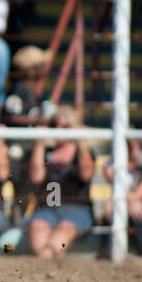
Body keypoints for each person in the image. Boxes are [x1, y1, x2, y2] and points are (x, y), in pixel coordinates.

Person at [27, 106, 96, 258]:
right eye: (55, 125)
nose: (59, 130)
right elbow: (36, 177)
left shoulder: (84, 153)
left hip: (77, 210)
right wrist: (39, 144)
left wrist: (82, 144)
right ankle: (48, 260)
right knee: (37, 226)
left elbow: (86, 174)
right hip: (47, 210)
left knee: (61, 233)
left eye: (65, 127)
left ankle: (47, 260)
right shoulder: (45, 152)